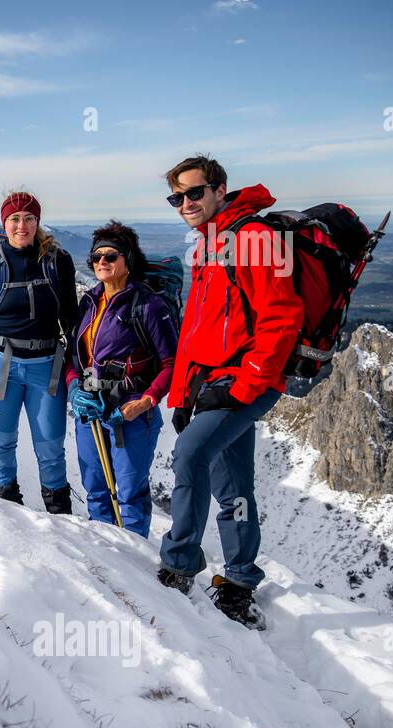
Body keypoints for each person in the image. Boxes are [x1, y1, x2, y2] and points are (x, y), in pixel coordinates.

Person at [155, 155, 304, 628]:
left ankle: (178, 566)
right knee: (234, 485)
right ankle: (239, 582)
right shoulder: (207, 245)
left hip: (243, 382)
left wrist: (242, 387)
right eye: (177, 196)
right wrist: (182, 396)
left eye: (194, 192)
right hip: (210, 384)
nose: (185, 203)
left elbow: (282, 320)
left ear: (220, 189)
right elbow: (196, 332)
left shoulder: (255, 239)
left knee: (190, 456)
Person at [0, 191, 78, 513]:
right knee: (2, 441)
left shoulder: (58, 262)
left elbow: (71, 318)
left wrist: (77, 367)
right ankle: (7, 512)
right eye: (14, 218)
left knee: (51, 447)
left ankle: (60, 516)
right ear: (4, 223)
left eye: (28, 218)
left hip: (47, 366)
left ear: (37, 222)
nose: (21, 225)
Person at [66, 222, 177, 538]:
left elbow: (171, 363)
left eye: (111, 256)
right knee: (96, 490)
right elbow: (74, 359)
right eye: (97, 256)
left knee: (128, 494)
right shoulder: (89, 302)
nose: (102, 262)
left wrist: (145, 402)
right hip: (91, 410)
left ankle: (135, 569)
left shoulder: (148, 305)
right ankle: (106, 568)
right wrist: (75, 389)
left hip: (131, 411)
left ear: (128, 259)